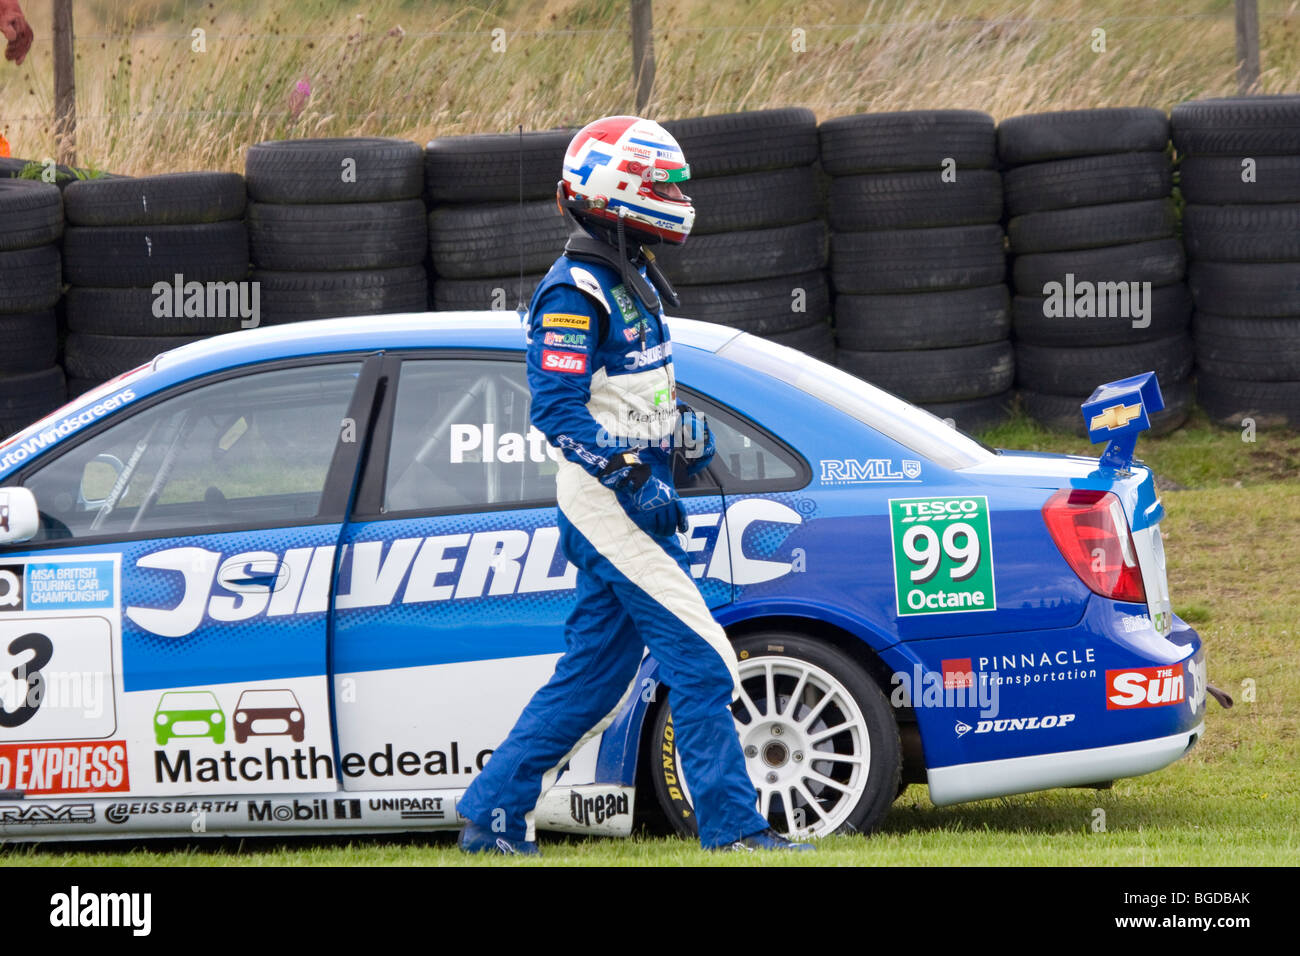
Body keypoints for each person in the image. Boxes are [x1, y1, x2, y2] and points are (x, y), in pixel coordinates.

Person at [456, 115, 813, 854]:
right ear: (616, 190)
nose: (675, 196)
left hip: (631, 502)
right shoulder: (574, 292)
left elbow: (631, 396)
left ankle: (492, 812)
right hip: (609, 510)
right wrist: (627, 475)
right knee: (706, 658)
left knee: (591, 680)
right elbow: (556, 412)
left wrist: (682, 433)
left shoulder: (632, 276)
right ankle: (734, 827)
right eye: (662, 184)